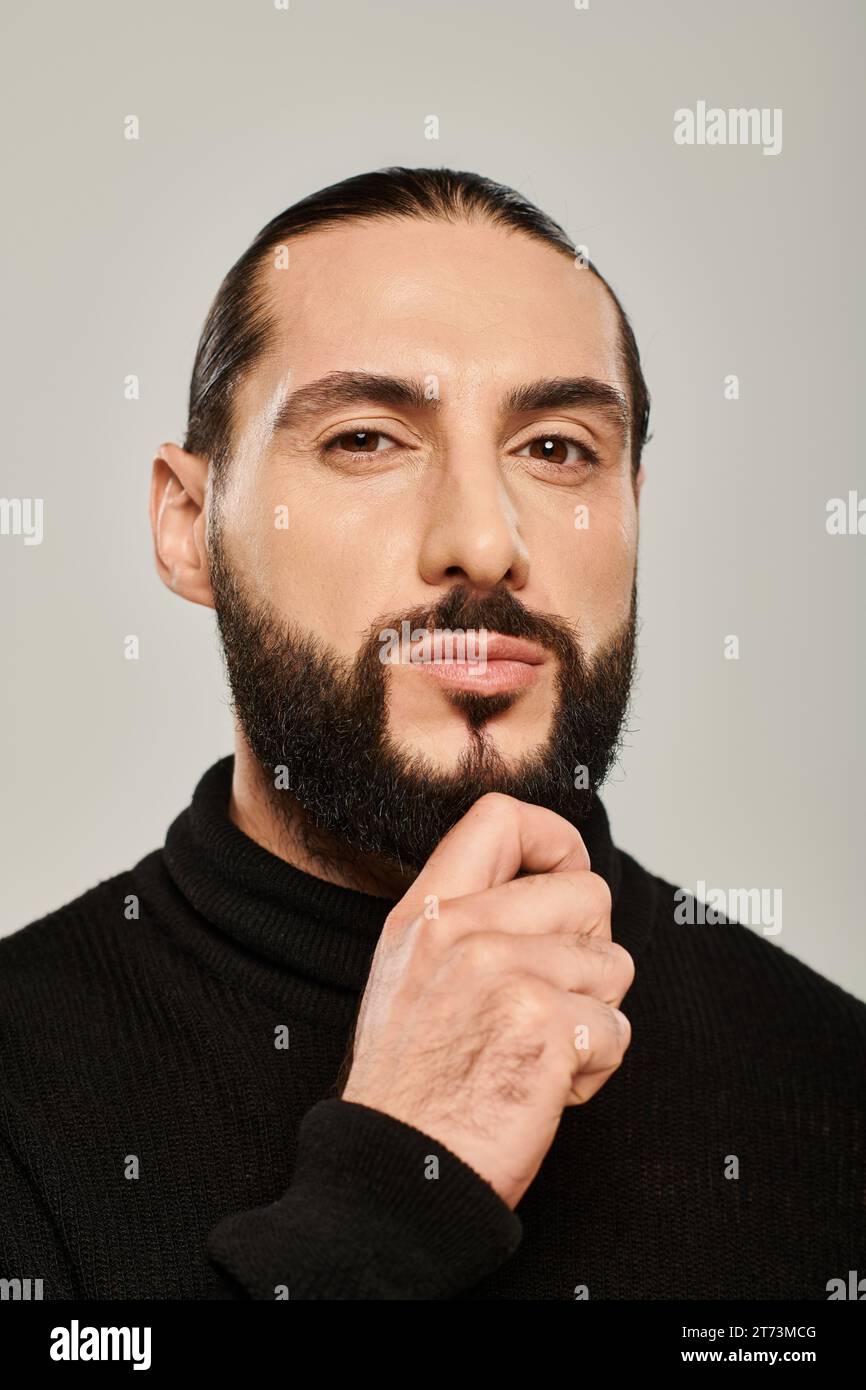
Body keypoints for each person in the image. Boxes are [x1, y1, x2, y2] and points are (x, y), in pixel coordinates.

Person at [2, 168, 863, 1301]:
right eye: (366, 438)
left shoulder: (833, 1087)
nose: (482, 539)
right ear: (189, 526)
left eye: (556, 449)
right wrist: (387, 1201)